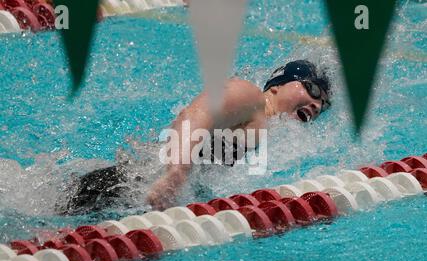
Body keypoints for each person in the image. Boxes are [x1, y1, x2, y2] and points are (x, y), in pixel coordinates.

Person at [57, 60, 331, 214]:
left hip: (143, 195)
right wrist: (177, 173)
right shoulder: (250, 98)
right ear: (276, 86)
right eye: (312, 90)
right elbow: (193, 116)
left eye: (323, 104)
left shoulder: (267, 131)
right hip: (118, 189)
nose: (317, 104)